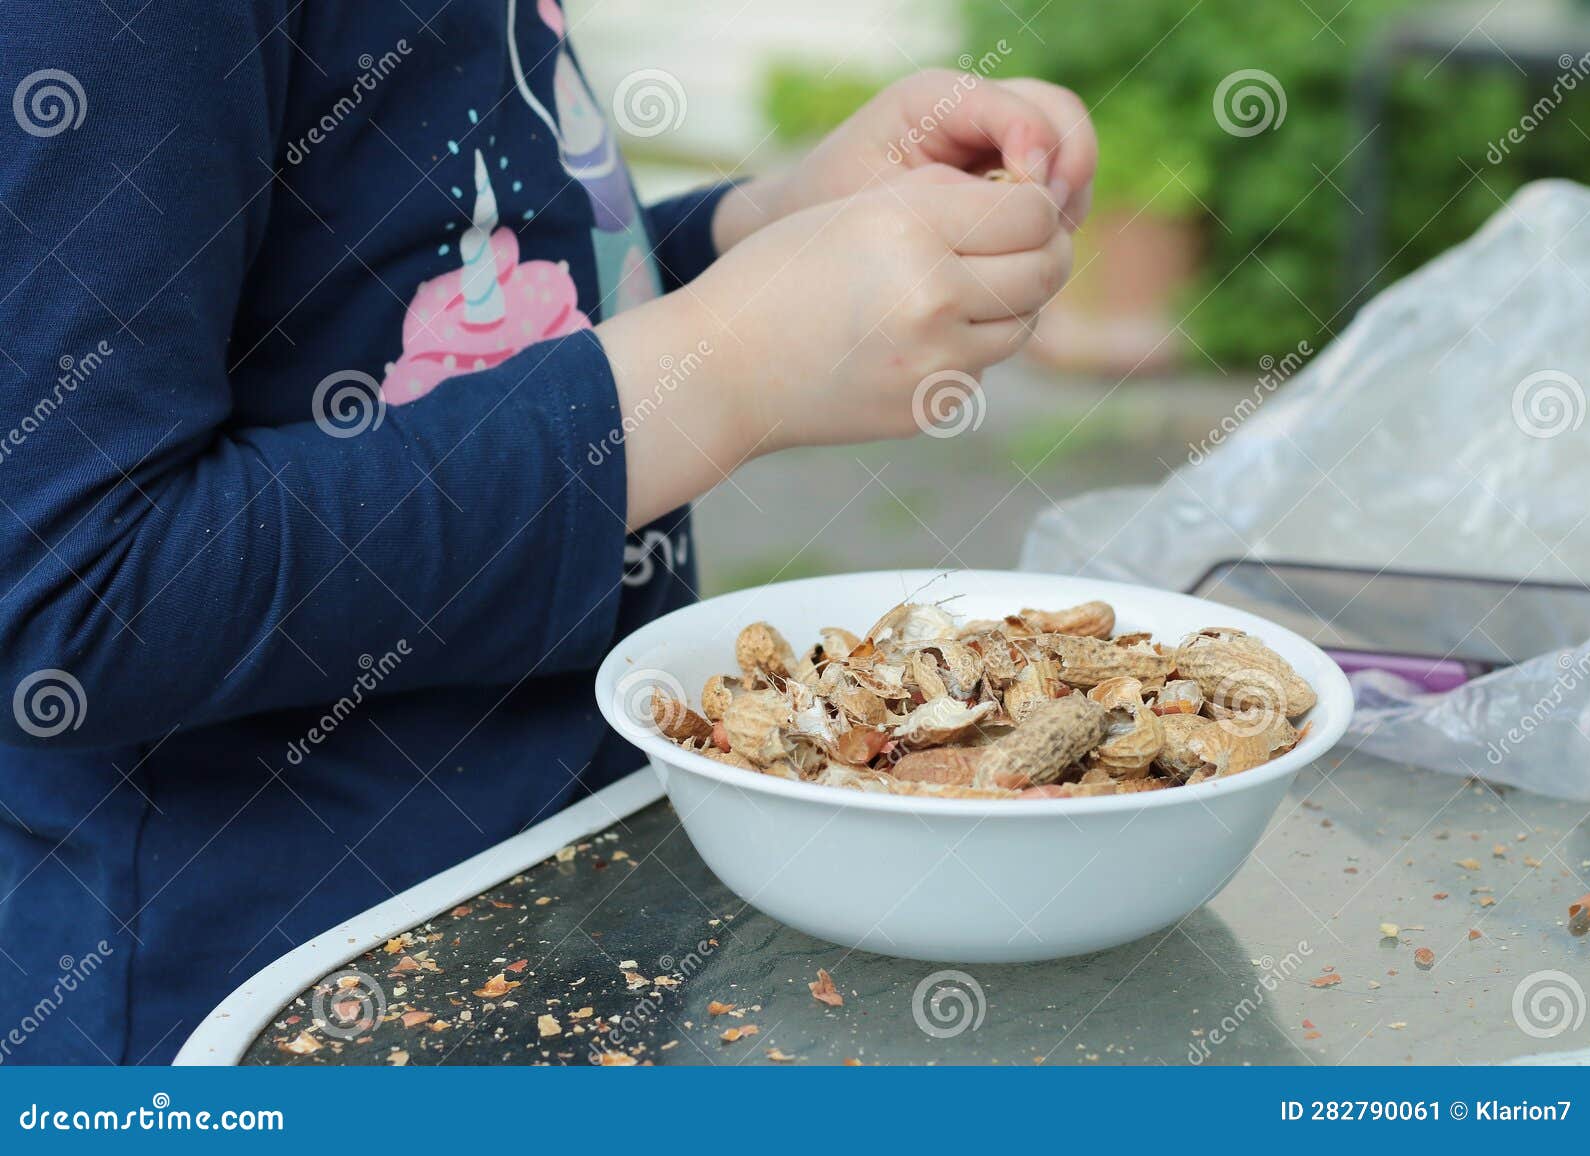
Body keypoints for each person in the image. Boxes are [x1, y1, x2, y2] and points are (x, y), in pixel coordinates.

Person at [0, 0, 1095, 1063]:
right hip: (270, 1012)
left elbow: (411, 313)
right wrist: (715, 369)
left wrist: (756, 233)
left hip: (562, 914)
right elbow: (71, 594)